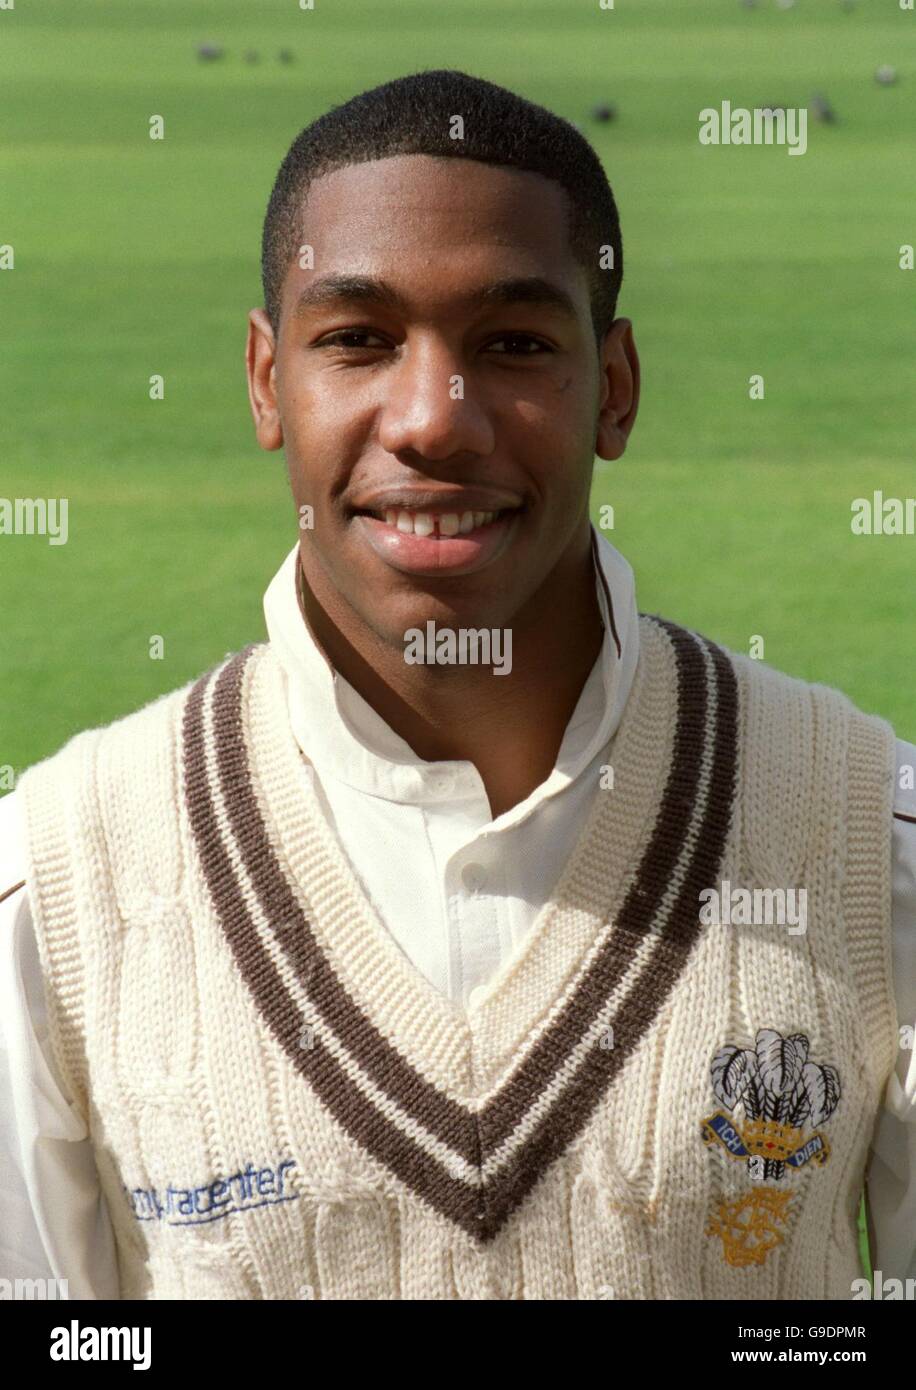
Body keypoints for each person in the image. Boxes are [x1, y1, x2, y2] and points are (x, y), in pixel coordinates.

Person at [1, 69, 913, 1301]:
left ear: (618, 387)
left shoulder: (865, 833)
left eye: (516, 343)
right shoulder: (57, 884)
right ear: (268, 382)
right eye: (357, 340)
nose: (433, 418)